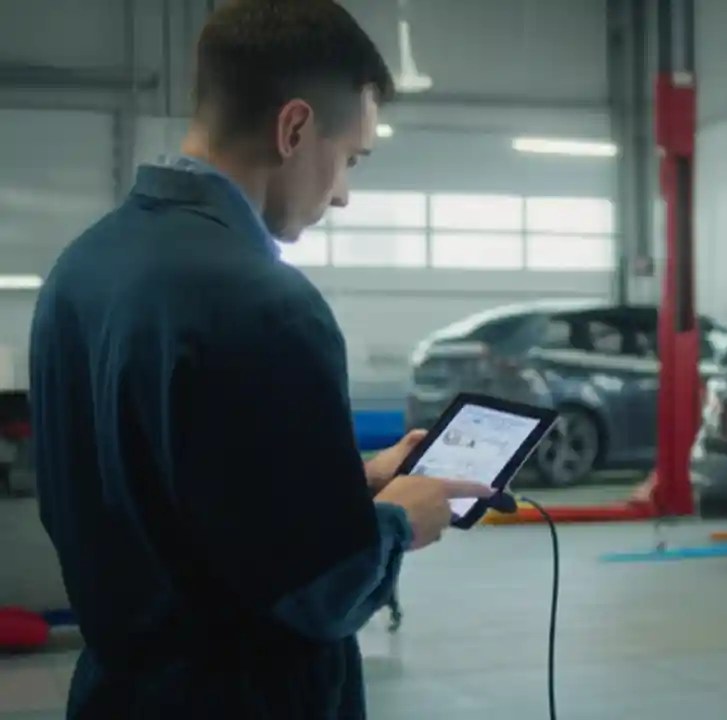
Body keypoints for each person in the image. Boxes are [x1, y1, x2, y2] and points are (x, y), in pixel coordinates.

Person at [27, 1, 491, 717]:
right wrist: (401, 522)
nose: (341, 195)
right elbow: (322, 590)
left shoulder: (83, 267)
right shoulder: (266, 302)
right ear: (295, 128)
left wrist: (349, 485)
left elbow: (164, 497)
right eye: (350, 159)